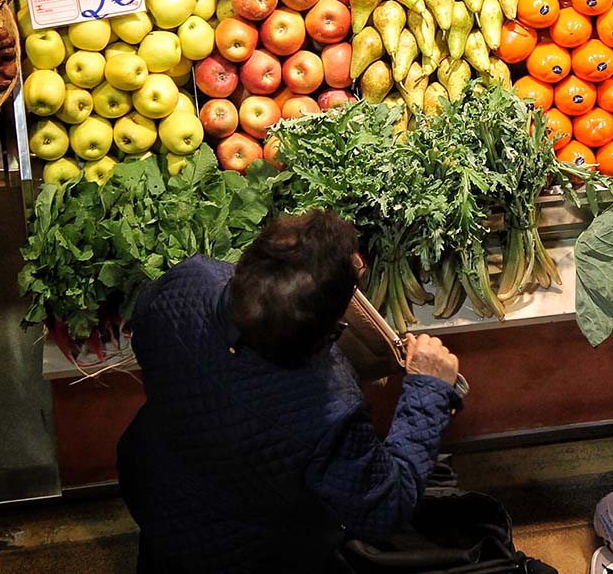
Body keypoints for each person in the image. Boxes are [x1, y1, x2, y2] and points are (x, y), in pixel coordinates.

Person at [118, 209, 463, 573]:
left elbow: (149, 329)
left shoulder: (188, 280)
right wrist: (428, 389)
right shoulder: (331, 409)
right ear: (328, 326)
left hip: (152, 485)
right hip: (247, 549)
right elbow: (384, 510)